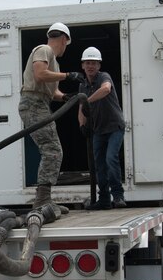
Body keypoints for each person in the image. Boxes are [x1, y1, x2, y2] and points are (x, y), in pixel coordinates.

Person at [19, 22, 80, 208]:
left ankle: (44, 199)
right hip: (34, 104)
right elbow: (40, 75)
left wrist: (66, 97)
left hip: (40, 103)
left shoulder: (53, 59)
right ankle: (43, 201)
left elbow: (51, 92)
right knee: (52, 150)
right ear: (64, 39)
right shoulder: (44, 50)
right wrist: (67, 75)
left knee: (51, 149)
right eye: (65, 45)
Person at [78, 46, 126, 209]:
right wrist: (82, 124)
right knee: (98, 165)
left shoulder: (104, 77)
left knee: (110, 158)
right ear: (82, 65)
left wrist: (87, 101)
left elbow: (106, 89)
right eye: (88, 63)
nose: (91, 66)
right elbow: (81, 109)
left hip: (114, 127)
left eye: (94, 63)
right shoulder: (82, 87)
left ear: (99, 66)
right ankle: (104, 200)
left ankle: (118, 196)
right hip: (98, 130)